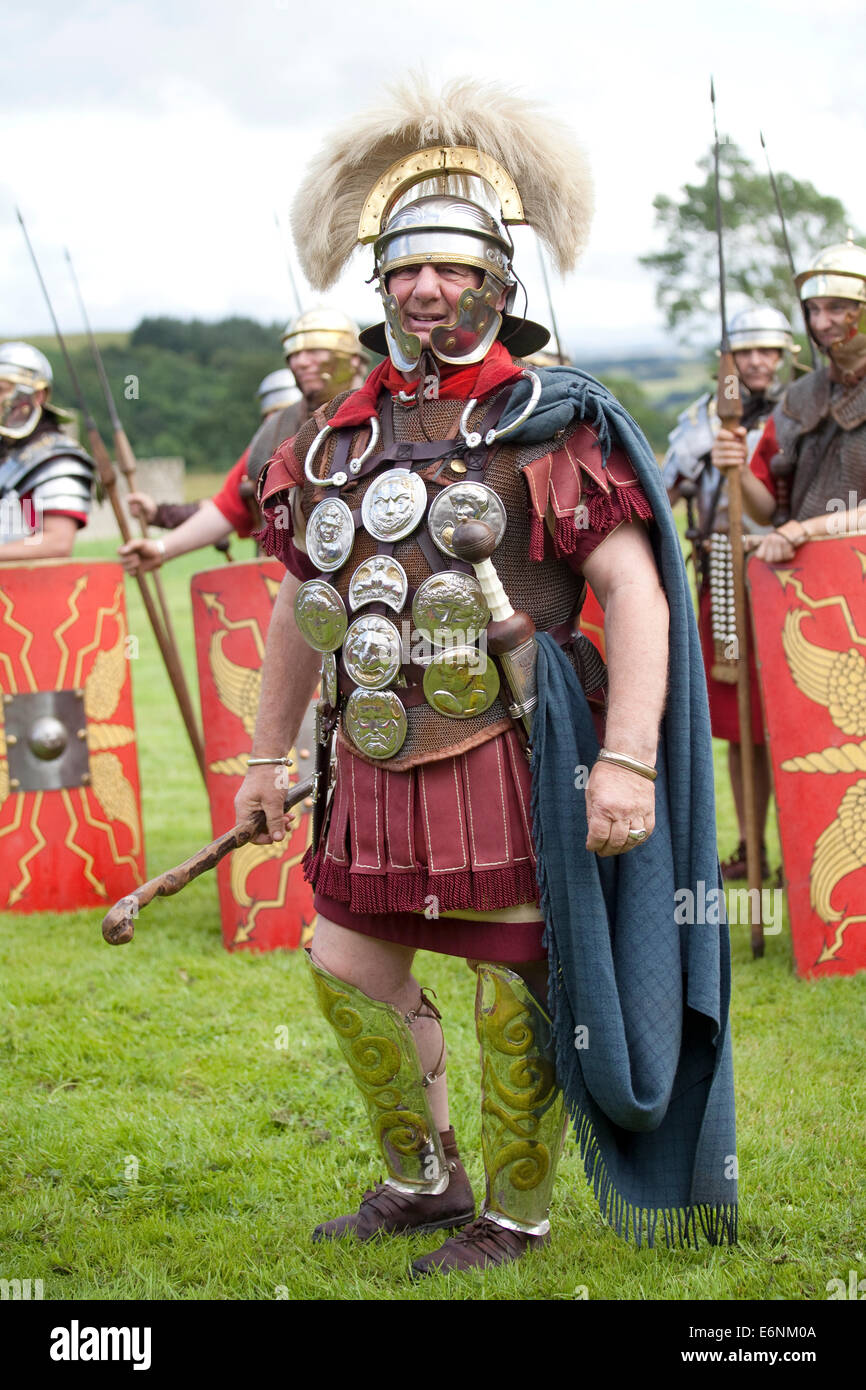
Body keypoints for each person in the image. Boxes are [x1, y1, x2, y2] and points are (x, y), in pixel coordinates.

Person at [235, 78, 736, 1275]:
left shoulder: (548, 419)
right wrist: (265, 752)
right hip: (373, 742)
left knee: (513, 982)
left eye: (450, 269)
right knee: (344, 964)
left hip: (512, 742)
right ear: (380, 286)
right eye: (404, 270)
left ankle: (511, 1216)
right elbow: (302, 605)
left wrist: (622, 761)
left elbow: (633, 593)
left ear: (495, 284)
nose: (423, 288)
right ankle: (420, 1175)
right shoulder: (334, 438)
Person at [664, 307, 796, 878]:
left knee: (796, 719)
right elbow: (664, 491)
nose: (759, 360)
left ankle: (804, 844)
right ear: (729, 361)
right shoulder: (700, 420)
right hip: (724, 573)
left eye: (769, 350)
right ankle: (753, 847)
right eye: (747, 351)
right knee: (742, 727)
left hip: (796, 574)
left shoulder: (803, 413)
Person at [118, 311, 365, 576]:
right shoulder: (276, 431)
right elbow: (228, 508)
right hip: (297, 579)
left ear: (352, 360)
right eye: (295, 353)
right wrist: (161, 549)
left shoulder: (386, 415)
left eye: (315, 351)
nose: (301, 362)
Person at [714, 237, 866, 555]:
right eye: (813, 310)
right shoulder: (800, 398)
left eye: (836, 308)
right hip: (811, 577)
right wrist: (739, 467)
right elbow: (767, 510)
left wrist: (804, 529)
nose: (821, 323)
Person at [0, 341, 94, 560]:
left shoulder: (56, 460)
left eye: (2, 390)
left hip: (30, 589)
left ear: (38, 395)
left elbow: (56, 542)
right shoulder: (7, 454)